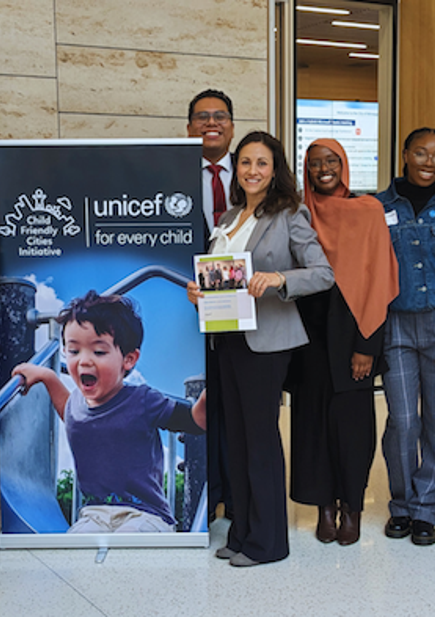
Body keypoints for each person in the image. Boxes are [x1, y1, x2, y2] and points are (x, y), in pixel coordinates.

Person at [186, 131, 333, 566]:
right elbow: (221, 276)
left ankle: (268, 543)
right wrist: (200, 291)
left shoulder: (289, 213)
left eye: (262, 163)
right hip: (225, 337)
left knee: (260, 440)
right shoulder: (230, 216)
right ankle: (242, 534)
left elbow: (323, 273)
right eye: (246, 162)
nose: (253, 170)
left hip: (266, 342)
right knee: (236, 439)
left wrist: (279, 280)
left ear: (275, 170)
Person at [11, 291, 206, 533]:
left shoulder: (143, 400)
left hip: (146, 514)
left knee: (127, 547)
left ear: (129, 359)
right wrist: (48, 377)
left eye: (98, 352)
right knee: (74, 548)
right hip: (94, 515)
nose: (84, 361)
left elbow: (193, 420)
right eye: (73, 351)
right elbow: (69, 414)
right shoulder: (77, 405)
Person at [289, 139, 399, 546]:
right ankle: (323, 507)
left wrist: (367, 346)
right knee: (312, 425)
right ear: (306, 170)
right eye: (315, 163)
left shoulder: (368, 210)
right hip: (308, 338)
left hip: (355, 333)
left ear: (344, 164)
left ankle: (351, 506)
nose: (323, 169)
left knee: (352, 428)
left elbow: (379, 281)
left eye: (331, 161)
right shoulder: (297, 213)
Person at [376, 127, 435, 546]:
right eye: (420, 153)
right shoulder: (377, 207)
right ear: (405, 154)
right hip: (395, 322)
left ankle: (427, 508)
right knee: (403, 420)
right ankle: (401, 502)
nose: (429, 162)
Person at [187, 88, 236, 521]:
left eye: (219, 116)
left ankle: (239, 496)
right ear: (189, 128)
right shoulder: (173, 174)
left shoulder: (254, 173)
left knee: (239, 402)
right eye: (202, 117)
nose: (210, 123)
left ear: (232, 127)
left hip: (243, 311)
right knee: (204, 399)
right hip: (191, 306)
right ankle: (212, 492)